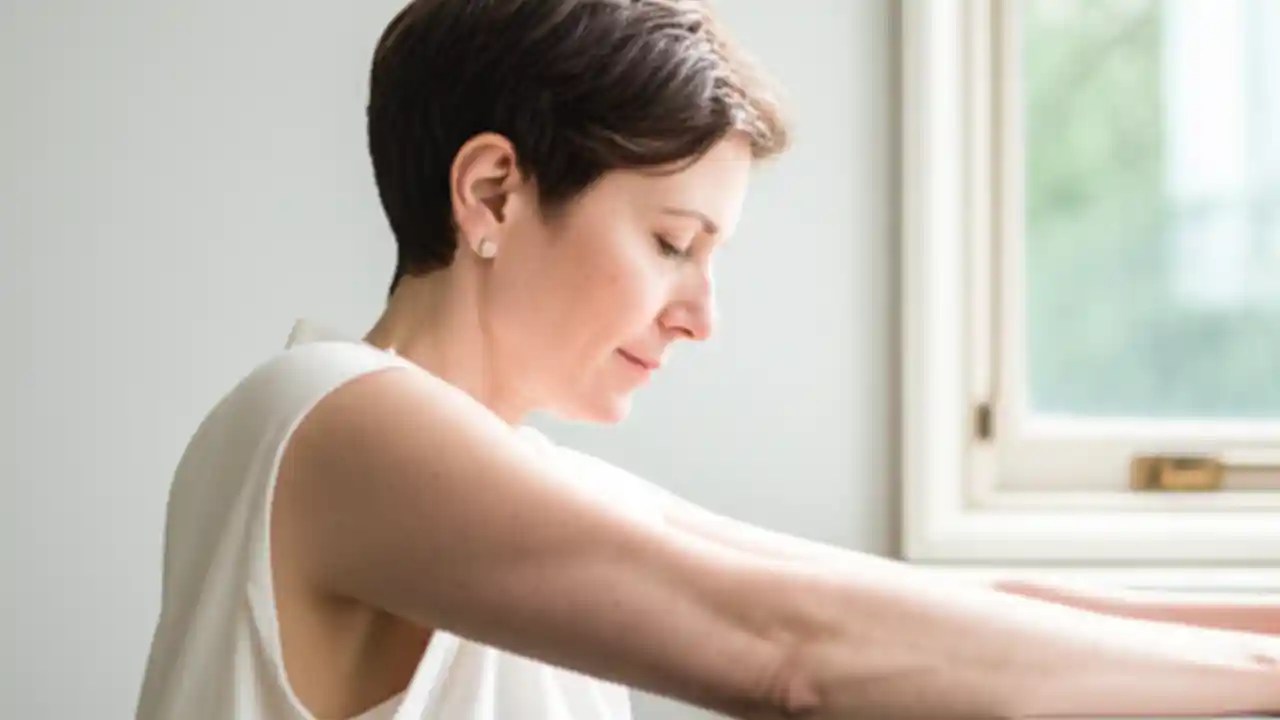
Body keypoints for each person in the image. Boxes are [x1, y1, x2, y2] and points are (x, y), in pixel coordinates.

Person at [136, 1, 1280, 718]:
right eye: (671, 243)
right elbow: (792, 653)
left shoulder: (480, 466)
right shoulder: (335, 417)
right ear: (491, 192)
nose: (700, 316)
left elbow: (914, 603)